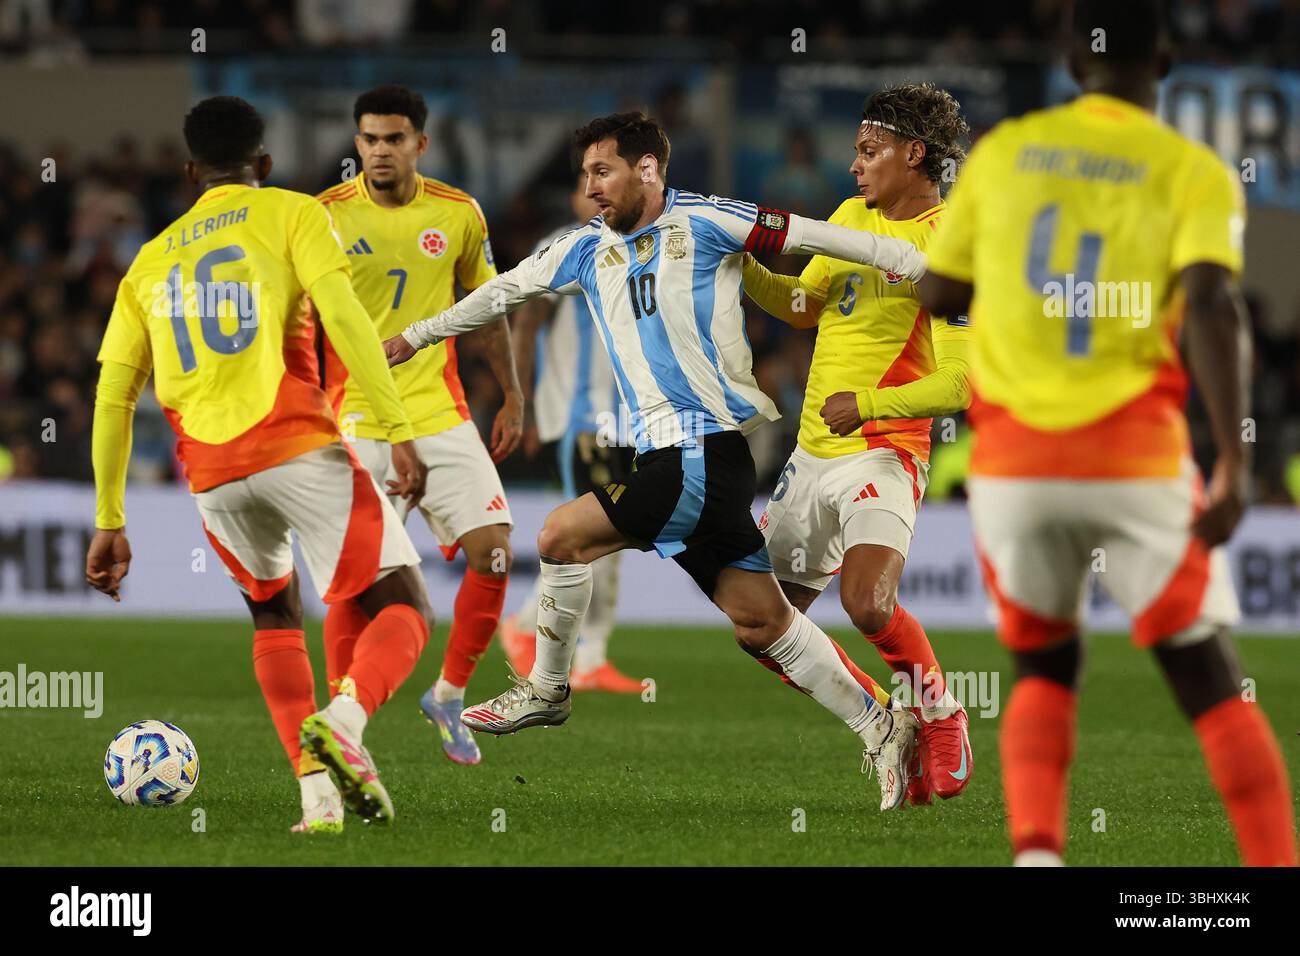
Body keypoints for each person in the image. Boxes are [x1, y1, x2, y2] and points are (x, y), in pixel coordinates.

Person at [387, 111, 934, 811]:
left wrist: (916, 263)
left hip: (703, 449)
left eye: (603, 172)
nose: (591, 189)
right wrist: (419, 336)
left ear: (647, 170)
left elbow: (817, 236)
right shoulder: (585, 248)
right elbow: (505, 290)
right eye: (585, 174)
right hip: (674, 458)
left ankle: (549, 689)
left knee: (559, 535)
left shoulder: (708, 222)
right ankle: (884, 727)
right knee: (760, 621)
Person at [919, 0, 1297, 864]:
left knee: (1046, 670)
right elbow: (1211, 300)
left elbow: (940, 294)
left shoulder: (1006, 154)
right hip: (1133, 458)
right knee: (1206, 677)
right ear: (1162, 59)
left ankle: (1040, 855)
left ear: (1068, 57)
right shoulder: (1190, 169)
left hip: (1013, 467)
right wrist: (1236, 461)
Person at [86, 96, 435, 834]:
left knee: (274, 613)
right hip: (295, 444)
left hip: (211, 478)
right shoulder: (292, 212)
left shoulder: (147, 262)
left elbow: (114, 398)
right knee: (403, 602)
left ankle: (318, 804)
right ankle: (344, 721)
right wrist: (397, 427)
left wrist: (110, 520)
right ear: (264, 164)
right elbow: (344, 315)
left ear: (189, 174)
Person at [742, 83, 974, 805]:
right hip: (811, 455)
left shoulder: (950, 247)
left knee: (868, 603)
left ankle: (941, 712)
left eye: (869, 152)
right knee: (759, 626)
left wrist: (868, 404)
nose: (854, 166)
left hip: (885, 451)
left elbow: (962, 387)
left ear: (914, 154)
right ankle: (884, 718)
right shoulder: (848, 217)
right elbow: (805, 306)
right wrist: (743, 264)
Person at [314, 85, 523, 767]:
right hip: (357, 418)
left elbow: (488, 306)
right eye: (369, 138)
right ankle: (346, 723)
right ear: (357, 145)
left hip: (439, 409)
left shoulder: (457, 213)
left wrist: (514, 395)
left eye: (394, 138)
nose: (380, 150)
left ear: (419, 145)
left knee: (494, 552)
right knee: (358, 583)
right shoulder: (324, 217)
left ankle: (450, 694)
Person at [500, 170, 641, 693]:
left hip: (634, 419)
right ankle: (522, 626)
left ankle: (593, 657)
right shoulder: (562, 245)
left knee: (619, 537)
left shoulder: (640, 242)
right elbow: (527, 321)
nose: (595, 193)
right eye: (586, 183)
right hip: (585, 419)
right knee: (595, 531)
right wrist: (526, 404)